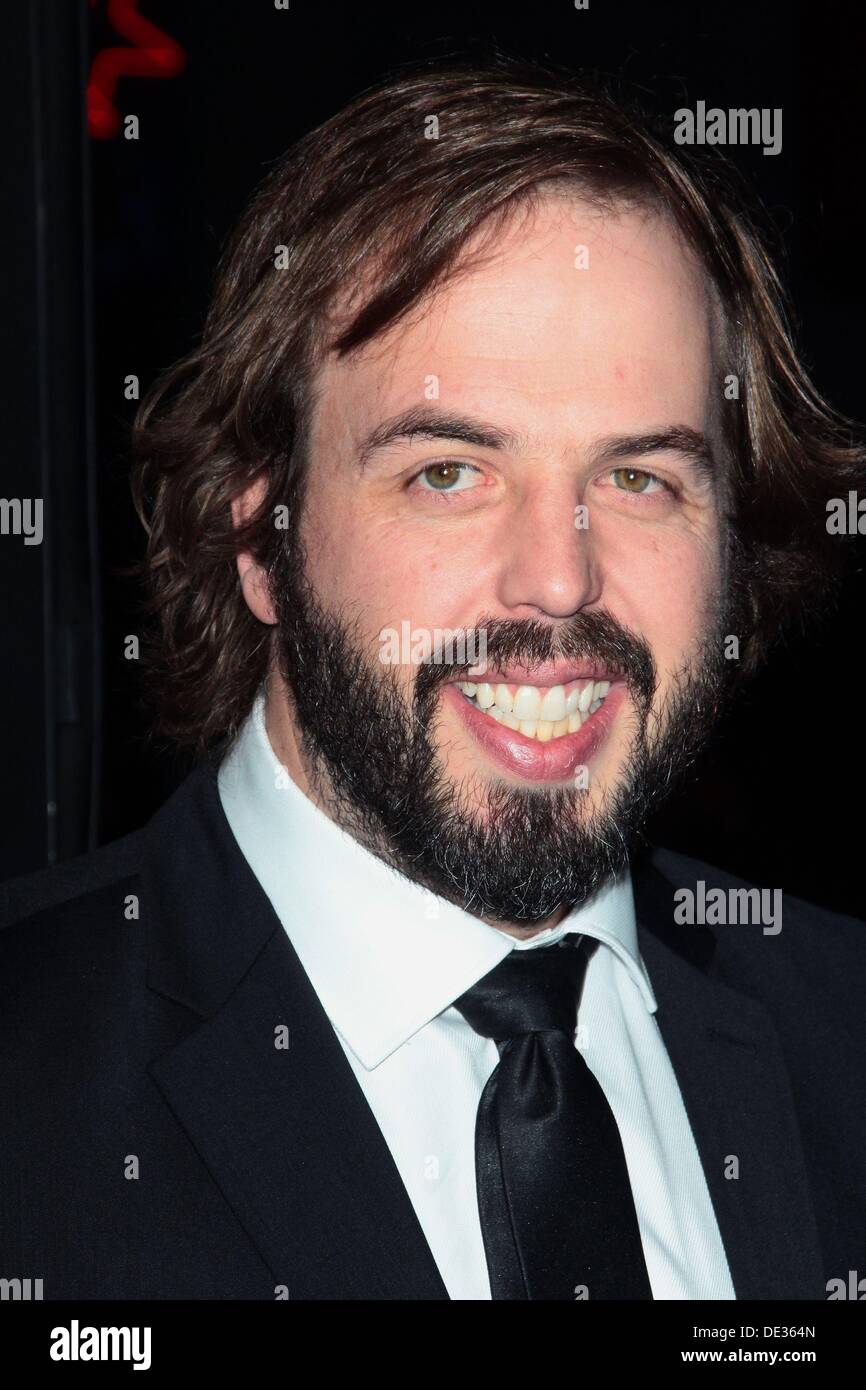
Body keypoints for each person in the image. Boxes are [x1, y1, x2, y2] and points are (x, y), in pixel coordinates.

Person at [2, 59, 864, 1302]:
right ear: (259, 541)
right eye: (447, 472)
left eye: (640, 479)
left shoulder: (839, 1031)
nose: (558, 580)